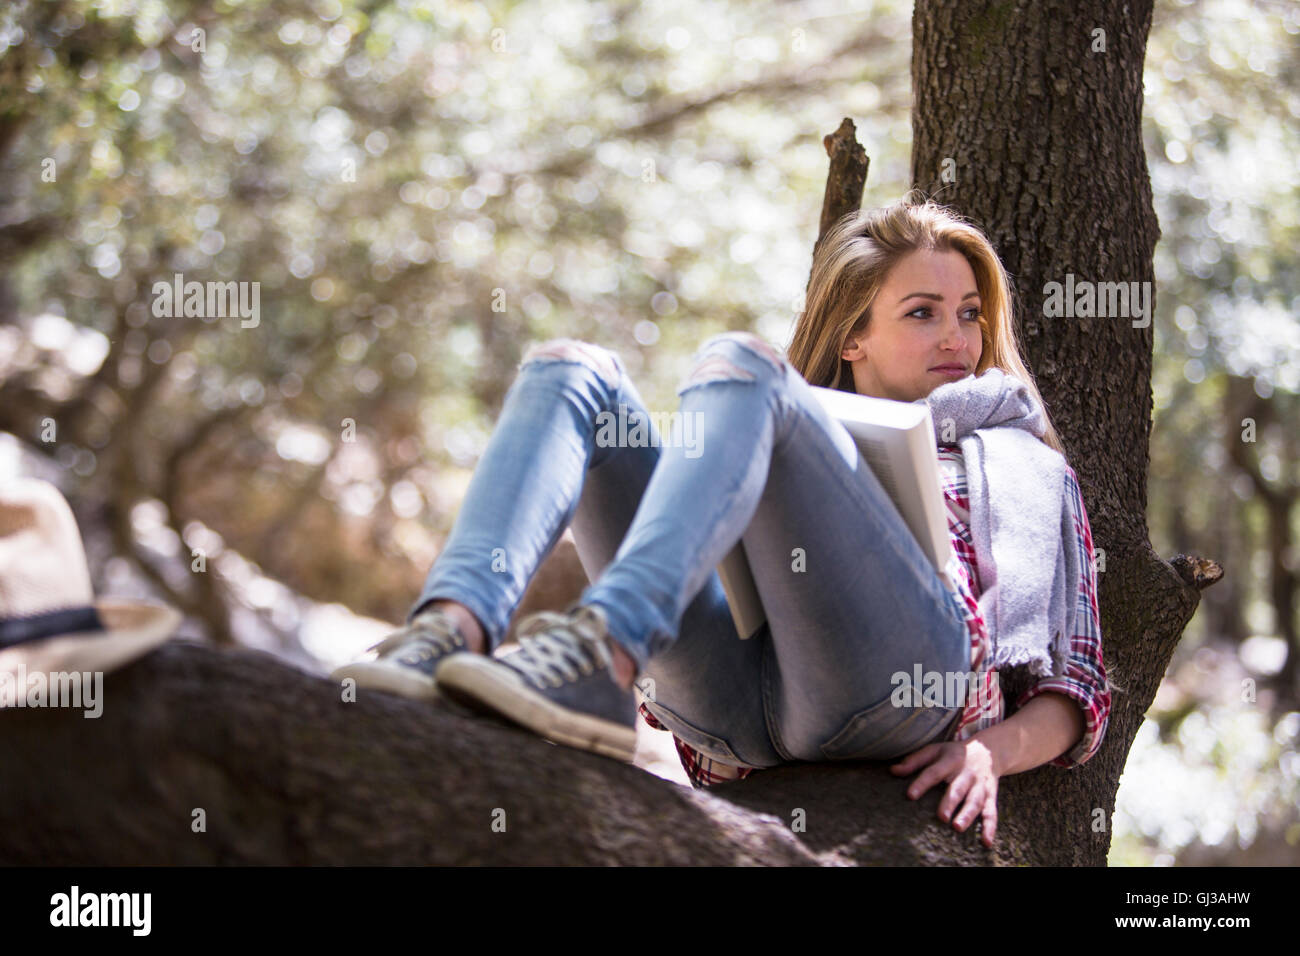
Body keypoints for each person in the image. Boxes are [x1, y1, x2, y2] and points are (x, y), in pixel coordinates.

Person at [331, 195, 1111, 848]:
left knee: (743, 363)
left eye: (969, 313)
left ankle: (604, 654)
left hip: (899, 684)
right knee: (573, 372)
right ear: (853, 336)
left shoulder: (1023, 461)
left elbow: (1077, 688)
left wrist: (989, 751)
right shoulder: (771, 427)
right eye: (922, 312)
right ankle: (445, 632)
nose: (958, 336)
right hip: (734, 707)